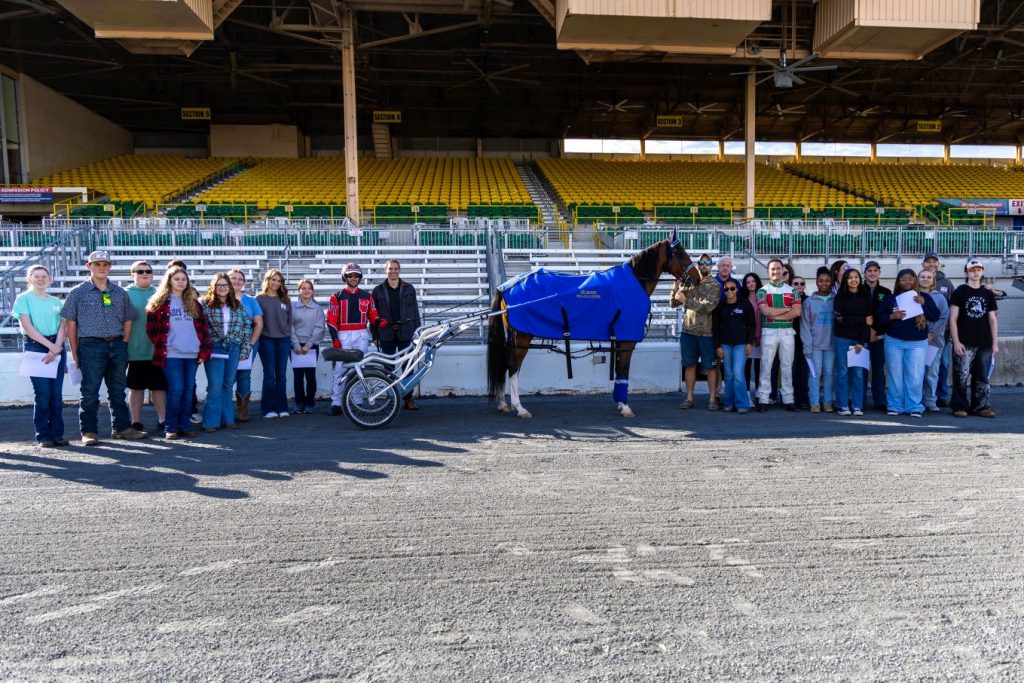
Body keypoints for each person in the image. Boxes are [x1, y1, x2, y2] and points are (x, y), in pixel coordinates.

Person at [62, 250, 147, 446]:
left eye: (105, 264)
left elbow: (128, 319)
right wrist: (75, 350)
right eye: (97, 264)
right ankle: (89, 431)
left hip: (116, 345)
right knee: (90, 391)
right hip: (90, 345)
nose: (101, 267)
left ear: (110, 267)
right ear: (89, 267)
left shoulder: (119, 292)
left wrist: (123, 342)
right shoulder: (77, 292)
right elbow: (70, 323)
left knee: (118, 389)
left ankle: (122, 428)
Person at [146, 266, 212, 439]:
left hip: (192, 354)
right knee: (176, 388)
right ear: (169, 281)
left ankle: (184, 425)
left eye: (184, 279)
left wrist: (203, 351)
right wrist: (165, 346)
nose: (181, 282)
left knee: (188, 390)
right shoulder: (159, 302)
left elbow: (204, 330)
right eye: (177, 279)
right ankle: (170, 427)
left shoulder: (194, 302)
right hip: (171, 354)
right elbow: (151, 330)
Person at [14, 265, 68, 447]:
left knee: (56, 395)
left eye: (44, 276)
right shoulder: (23, 299)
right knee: (43, 394)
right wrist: (51, 347)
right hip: (36, 347)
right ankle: (43, 435)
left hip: (57, 347)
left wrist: (57, 347)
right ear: (29, 279)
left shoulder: (56, 301)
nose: (40, 279)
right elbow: (28, 327)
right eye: (36, 276)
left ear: (50, 279)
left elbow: (63, 326)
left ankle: (57, 434)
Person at [876, 269, 940, 417]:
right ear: (898, 282)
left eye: (910, 279)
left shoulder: (923, 297)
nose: (907, 282)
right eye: (903, 279)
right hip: (894, 341)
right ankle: (895, 405)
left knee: (915, 375)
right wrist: (892, 316)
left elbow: (935, 316)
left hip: (917, 343)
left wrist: (923, 304)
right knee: (895, 375)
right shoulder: (891, 299)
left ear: (915, 280)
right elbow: (880, 320)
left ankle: (914, 406)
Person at [327, 263, 381, 415]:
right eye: (350, 275)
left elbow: (373, 316)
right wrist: (335, 339)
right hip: (343, 335)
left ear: (360, 277)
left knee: (359, 369)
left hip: (361, 334)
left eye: (356, 275)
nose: (353, 278)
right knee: (340, 369)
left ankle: (357, 401)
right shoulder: (336, 296)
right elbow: (331, 320)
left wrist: (379, 322)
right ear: (344, 277)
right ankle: (336, 402)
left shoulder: (367, 296)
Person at [201, 273, 252, 431]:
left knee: (228, 384)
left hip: (234, 347)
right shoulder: (205, 304)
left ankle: (227, 419)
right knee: (215, 385)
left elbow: (246, 327)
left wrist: (245, 348)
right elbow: (201, 328)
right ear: (213, 287)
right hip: (215, 347)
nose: (222, 288)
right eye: (219, 285)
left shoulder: (238, 305)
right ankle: (211, 422)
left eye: (225, 285)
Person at [949, 259, 999, 418]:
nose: (975, 272)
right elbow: (952, 319)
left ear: (982, 272)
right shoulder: (960, 291)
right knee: (961, 375)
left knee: (982, 376)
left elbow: (992, 319)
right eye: (972, 269)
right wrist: (956, 341)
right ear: (966, 272)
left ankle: (981, 407)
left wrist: (995, 343)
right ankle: (960, 406)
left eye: (978, 269)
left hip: (985, 342)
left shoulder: (987, 293)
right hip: (964, 342)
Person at [671, 253, 720, 410]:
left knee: (711, 367)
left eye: (707, 262)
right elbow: (673, 304)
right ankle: (689, 398)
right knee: (690, 365)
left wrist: (686, 301)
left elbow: (708, 307)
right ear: (697, 265)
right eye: (701, 262)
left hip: (707, 333)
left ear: (711, 266)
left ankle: (712, 399)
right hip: (688, 332)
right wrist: (675, 287)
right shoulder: (689, 282)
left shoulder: (714, 285)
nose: (704, 265)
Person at [370, 259, 422, 410]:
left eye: (396, 268)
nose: (393, 271)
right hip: (386, 334)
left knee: (408, 366)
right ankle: (391, 398)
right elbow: (373, 315)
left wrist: (417, 333)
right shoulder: (377, 290)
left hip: (406, 333)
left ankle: (408, 398)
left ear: (399, 270)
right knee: (387, 368)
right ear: (385, 271)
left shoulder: (409, 288)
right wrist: (375, 335)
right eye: (390, 269)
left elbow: (415, 312)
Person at [125, 260, 166, 433]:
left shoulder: (160, 293)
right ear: (132, 274)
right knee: (136, 387)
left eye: (148, 271)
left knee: (159, 387)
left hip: (156, 350)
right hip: (134, 349)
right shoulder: (124, 294)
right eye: (140, 271)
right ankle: (136, 421)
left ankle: (163, 419)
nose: (144, 274)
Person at [755, 259, 801, 412]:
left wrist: (776, 314)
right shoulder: (762, 291)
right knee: (766, 366)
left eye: (778, 269)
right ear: (768, 271)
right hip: (768, 331)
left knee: (787, 366)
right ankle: (763, 398)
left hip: (787, 331)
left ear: (783, 270)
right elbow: (765, 312)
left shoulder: (793, 291)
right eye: (773, 269)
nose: (776, 272)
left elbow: (797, 312)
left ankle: (788, 399)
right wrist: (786, 311)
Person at [832, 268, 872, 416]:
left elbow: (869, 321)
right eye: (850, 277)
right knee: (842, 372)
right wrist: (861, 320)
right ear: (845, 280)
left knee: (858, 374)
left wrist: (862, 341)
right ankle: (843, 405)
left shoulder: (866, 295)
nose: (854, 280)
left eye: (856, 277)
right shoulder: (840, 297)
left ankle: (857, 405)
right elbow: (841, 319)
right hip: (842, 338)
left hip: (860, 340)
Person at [712, 277, 755, 413]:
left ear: (737, 289)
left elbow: (752, 325)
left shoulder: (745, 304)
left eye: (732, 288)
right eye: (726, 289)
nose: (729, 291)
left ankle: (742, 404)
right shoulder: (720, 306)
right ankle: (729, 402)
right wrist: (718, 346)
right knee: (729, 374)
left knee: (738, 373)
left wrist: (749, 343)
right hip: (725, 345)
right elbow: (715, 328)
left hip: (741, 344)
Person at [256, 268, 293, 419]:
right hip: (267, 340)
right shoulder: (259, 298)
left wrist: (287, 334)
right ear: (267, 280)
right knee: (269, 375)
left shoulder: (285, 299)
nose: (276, 283)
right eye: (273, 280)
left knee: (282, 375)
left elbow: (290, 320)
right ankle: (268, 408)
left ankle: (282, 407)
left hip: (283, 341)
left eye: (279, 281)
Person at [229, 269, 263, 422]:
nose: (236, 281)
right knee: (227, 376)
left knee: (244, 375)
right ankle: (225, 409)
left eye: (239, 279)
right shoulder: (221, 298)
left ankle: (243, 410)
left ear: (244, 282)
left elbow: (258, 323)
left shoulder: (250, 301)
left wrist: (251, 344)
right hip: (227, 344)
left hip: (248, 343)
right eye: (233, 278)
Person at [800, 267, 834, 413]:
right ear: (816, 282)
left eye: (827, 281)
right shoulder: (808, 302)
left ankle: (827, 402)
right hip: (815, 345)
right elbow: (805, 326)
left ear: (831, 282)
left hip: (832, 345)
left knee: (829, 373)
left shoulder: (836, 300)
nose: (824, 283)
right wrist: (807, 346)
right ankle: (814, 402)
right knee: (815, 373)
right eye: (821, 281)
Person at [290, 278, 326, 414]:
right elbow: (289, 326)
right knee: (297, 376)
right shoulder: (292, 307)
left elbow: (319, 328)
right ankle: (299, 403)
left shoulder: (317, 308)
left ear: (312, 291)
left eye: (309, 288)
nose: (306, 291)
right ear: (299, 290)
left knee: (310, 376)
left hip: (311, 347)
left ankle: (310, 403)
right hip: (295, 346)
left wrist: (309, 345)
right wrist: (295, 344)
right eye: (303, 288)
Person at [923, 253, 953, 407]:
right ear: (923, 265)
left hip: (942, 335)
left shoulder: (946, 283)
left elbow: (950, 311)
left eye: (934, 262)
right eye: (928, 262)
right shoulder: (918, 283)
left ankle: (941, 395)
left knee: (942, 365)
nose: (931, 264)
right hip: (920, 336)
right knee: (925, 368)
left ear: (938, 264)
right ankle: (925, 397)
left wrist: (950, 333)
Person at [918, 269, 949, 412]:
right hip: (916, 339)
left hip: (934, 341)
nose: (925, 279)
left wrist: (931, 334)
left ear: (933, 280)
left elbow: (943, 318)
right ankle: (916, 399)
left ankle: (930, 400)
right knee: (916, 371)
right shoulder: (913, 295)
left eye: (928, 277)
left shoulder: (939, 298)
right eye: (922, 276)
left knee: (931, 371)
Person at [862, 261, 891, 412]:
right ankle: (859, 401)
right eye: (869, 271)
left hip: (879, 338)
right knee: (861, 371)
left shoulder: (886, 292)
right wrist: (868, 330)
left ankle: (879, 400)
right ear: (865, 273)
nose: (872, 273)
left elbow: (886, 315)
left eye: (875, 270)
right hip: (861, 337)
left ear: (879, 272)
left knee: (879, 370)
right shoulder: (858, 290)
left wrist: (876, 330)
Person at [742, 272, 763, 404]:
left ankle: (760, 395)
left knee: (759, 369)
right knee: (747, 367)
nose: (751, 284)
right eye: (748, 282)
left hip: (762, 337)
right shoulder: (743, 299)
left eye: (753, 281)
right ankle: (747, 396)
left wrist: (759, 335)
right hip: (747, 338)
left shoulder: (763, 297)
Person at [790, 274, 810, 409]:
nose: (799, 286)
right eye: (796, 284)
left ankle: (803, 398)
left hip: (804, 339)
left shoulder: (808, 300)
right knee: (790, 369)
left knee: (803, 370)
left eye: (801, 284)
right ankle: (790, 398)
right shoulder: (787, 299)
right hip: (789, 337)